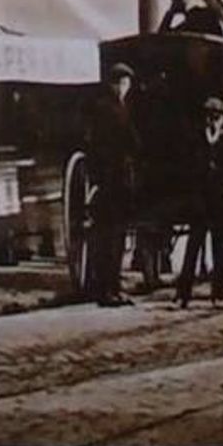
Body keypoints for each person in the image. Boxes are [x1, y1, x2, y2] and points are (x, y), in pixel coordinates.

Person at [176, 99, 223, 308]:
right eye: (210, 117)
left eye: (217, 117)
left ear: (222, 119)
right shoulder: (195, 140)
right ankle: (184, 292)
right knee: (193, 245)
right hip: (201, 200)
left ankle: (218, 289)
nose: (213, 122)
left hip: (221, 201)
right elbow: (189, 169)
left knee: (220, 246)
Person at [85, 62, 140, 308]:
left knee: (117, 237)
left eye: (126, 83)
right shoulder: (106, 108)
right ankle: (106, 289)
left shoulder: (121, 107)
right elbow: (102, 145)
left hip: (119, 179)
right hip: (110, 180)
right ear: (114, 84)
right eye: (121, 83)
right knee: (109, 237)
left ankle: (113, 287)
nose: (124, 88)